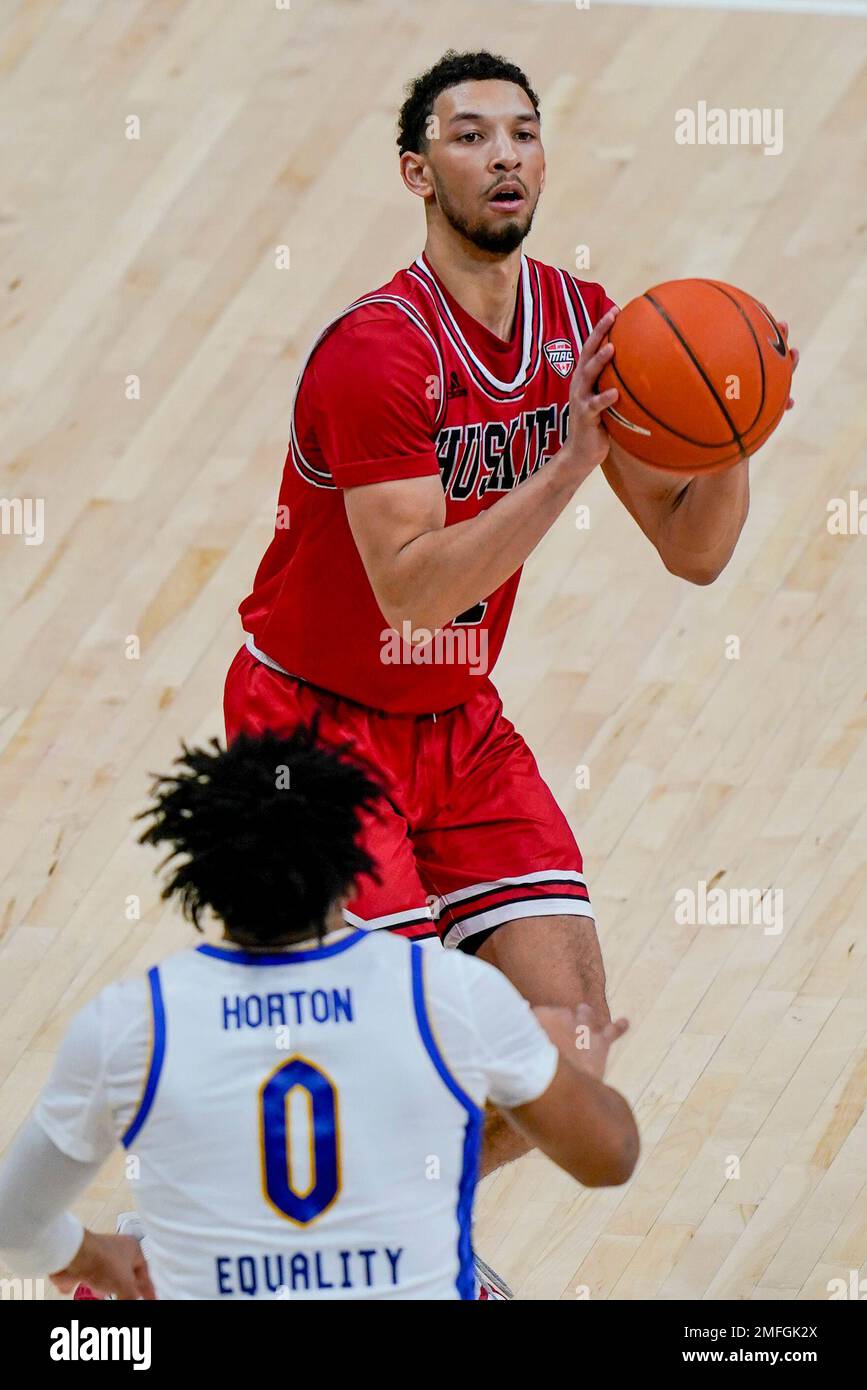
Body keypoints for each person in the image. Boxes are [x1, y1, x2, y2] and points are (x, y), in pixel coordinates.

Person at [222, 49, 795, 1289]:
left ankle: (355, 1224)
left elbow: (694, 553)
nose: (506, 156)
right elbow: (413, 585)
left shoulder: (589, 332)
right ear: (418, 173)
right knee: (403, 1061)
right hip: (309, 734)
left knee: (571, 1050)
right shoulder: (377, 354)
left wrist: (738, 425)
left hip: (456, 725)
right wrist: (571, 462)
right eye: (473, 136)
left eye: (525, 133)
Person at [0, 727, 637, 1300]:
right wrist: (573, 1071)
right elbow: (610, 1159)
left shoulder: (131, 1020)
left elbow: (11, 1223)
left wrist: (85, 1253)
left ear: (199, 879)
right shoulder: (448, 992)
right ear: (356, 864)